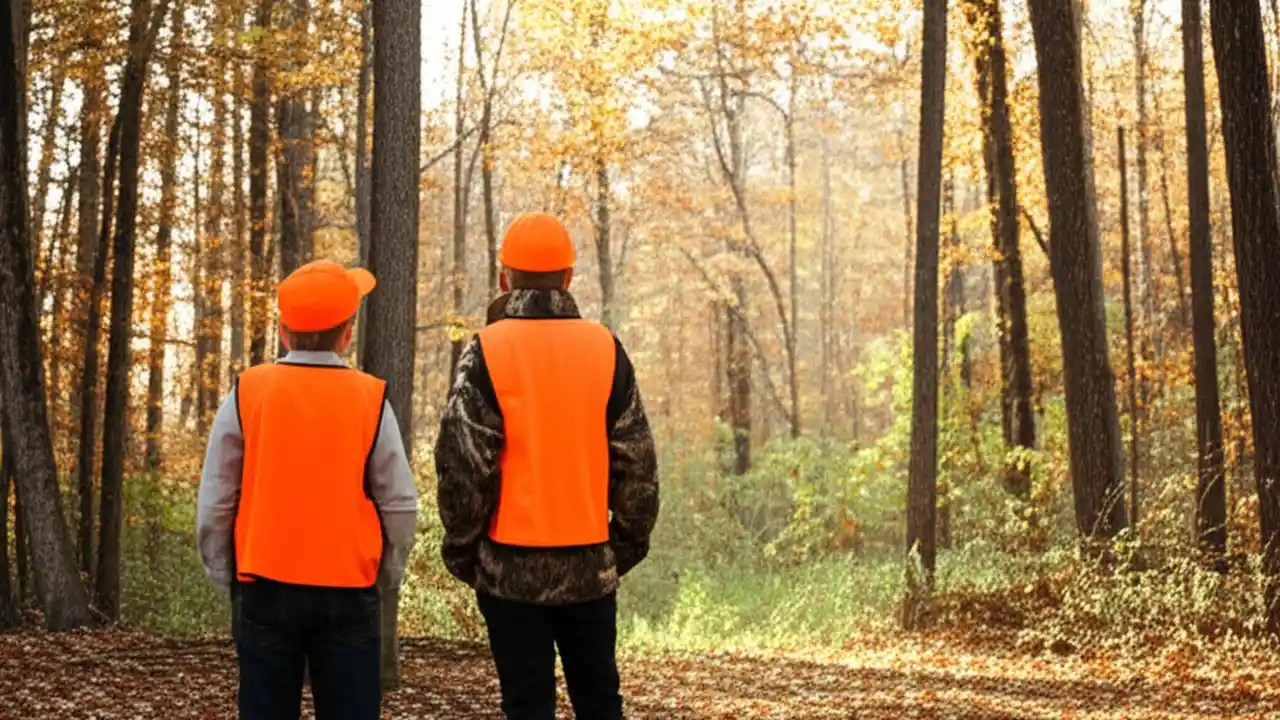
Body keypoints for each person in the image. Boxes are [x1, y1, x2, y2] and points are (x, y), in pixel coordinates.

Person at [436, 212, 659, 720]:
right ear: (569, 278)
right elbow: (638, 466)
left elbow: (462, 465)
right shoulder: (605, 350)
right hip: (589, 570)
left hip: (509, 574)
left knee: (525, 703)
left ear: (503, 279)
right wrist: (620, 549)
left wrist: (465, 551)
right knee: (600, 701)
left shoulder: (486, 351)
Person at [197, 259, 419, 720]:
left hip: (263, 584)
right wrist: (389, 573)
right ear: (347, 335)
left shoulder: (248, 392)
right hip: (348, 590)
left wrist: (222, 572)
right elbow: (398, 502)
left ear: (283, 331)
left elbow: (217, 498)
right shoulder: (370, 397)